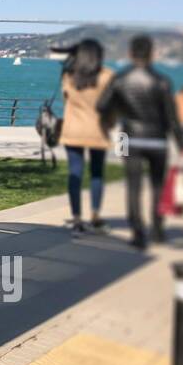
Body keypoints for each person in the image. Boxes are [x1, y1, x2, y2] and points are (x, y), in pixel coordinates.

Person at [97, 34, 183, 249]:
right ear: (152, 54)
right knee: (157, 186)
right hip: (158, 139)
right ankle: (157, 229)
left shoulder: (119, 79)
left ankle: (138, 232)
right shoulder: (162, 81)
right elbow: (172, 118)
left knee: (134, 187)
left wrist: (119, 111)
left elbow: (102, 106)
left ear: (130, 54)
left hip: (131, 138)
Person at [60, 39, 113, 235]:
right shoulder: (107, 76)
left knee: (75, 173)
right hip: (97, 130)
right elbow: (111, 105)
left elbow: (65, 99)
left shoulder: (69, 76)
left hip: (73, 130)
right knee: (97, 173)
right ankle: (96, 216)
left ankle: (76, 219)